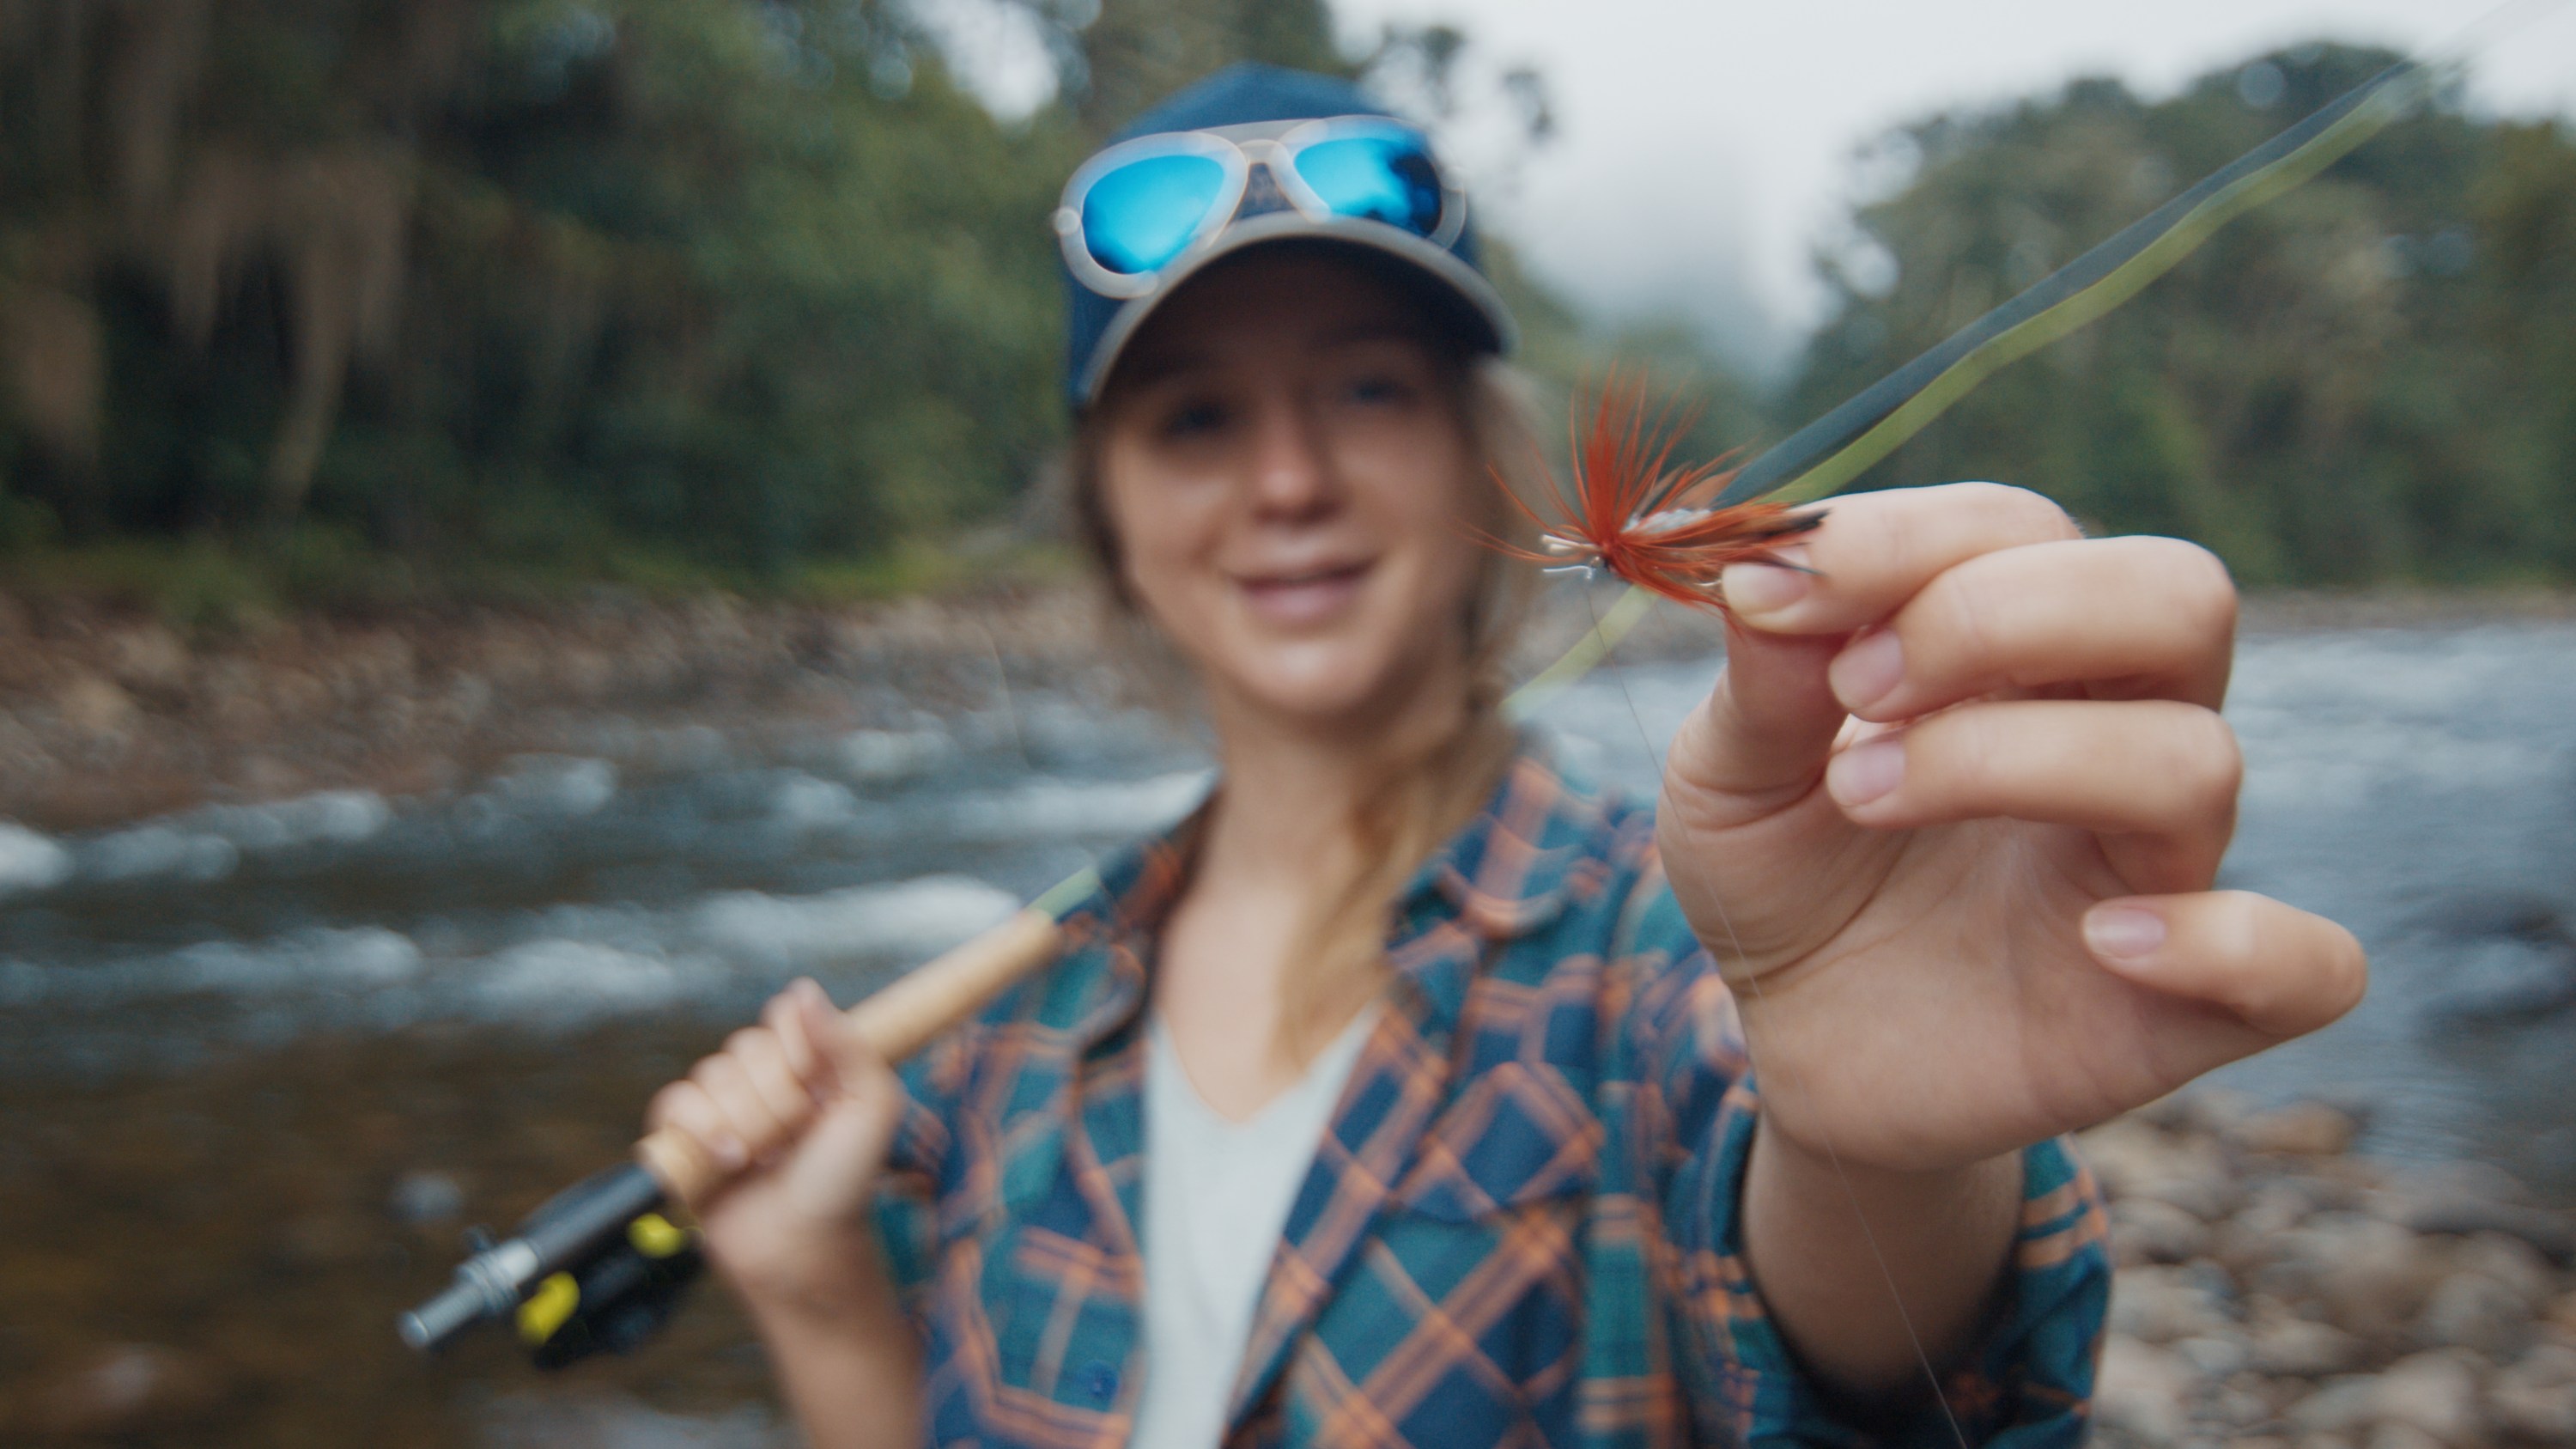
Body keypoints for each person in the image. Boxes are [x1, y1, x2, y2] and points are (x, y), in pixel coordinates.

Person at [643, 64, 2366, 1449]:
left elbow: (1873, 1355)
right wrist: (810, 1290)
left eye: (1368, 390)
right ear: (1105, 519)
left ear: (1487, 461)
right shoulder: (996, 1058)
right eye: (1196, 417)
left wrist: (1879, 1154)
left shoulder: (1690, 947)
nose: (1290, 478)